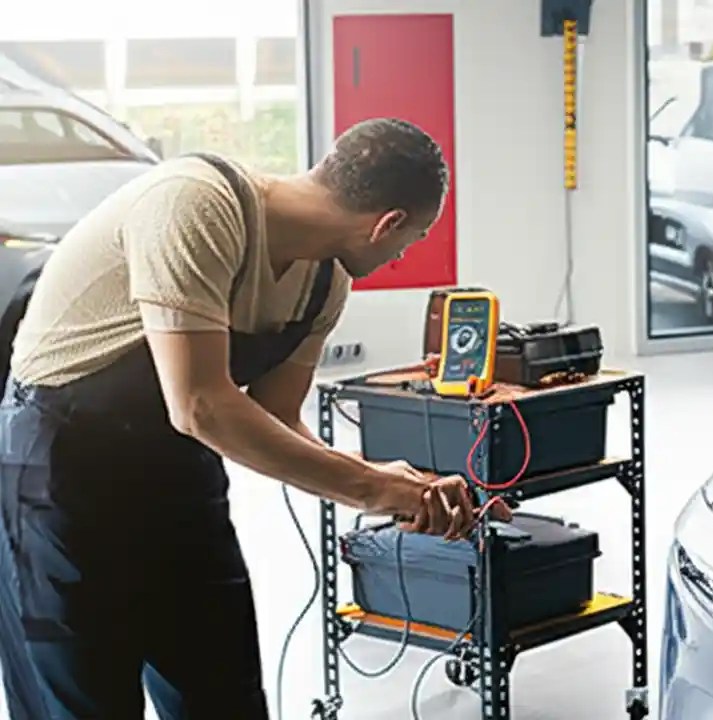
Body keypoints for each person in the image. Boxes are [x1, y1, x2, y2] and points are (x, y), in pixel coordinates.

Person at [0, 117, 509, 719]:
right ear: (387, 223)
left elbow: (275, 417)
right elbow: (200, 403)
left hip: (178, 474)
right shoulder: (196, 203)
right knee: (82, 702)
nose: (403, 254)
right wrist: (373, 487)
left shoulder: (325, 282)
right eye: (413, 238)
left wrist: (400, 484)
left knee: (221, 694)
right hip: (59, 474)